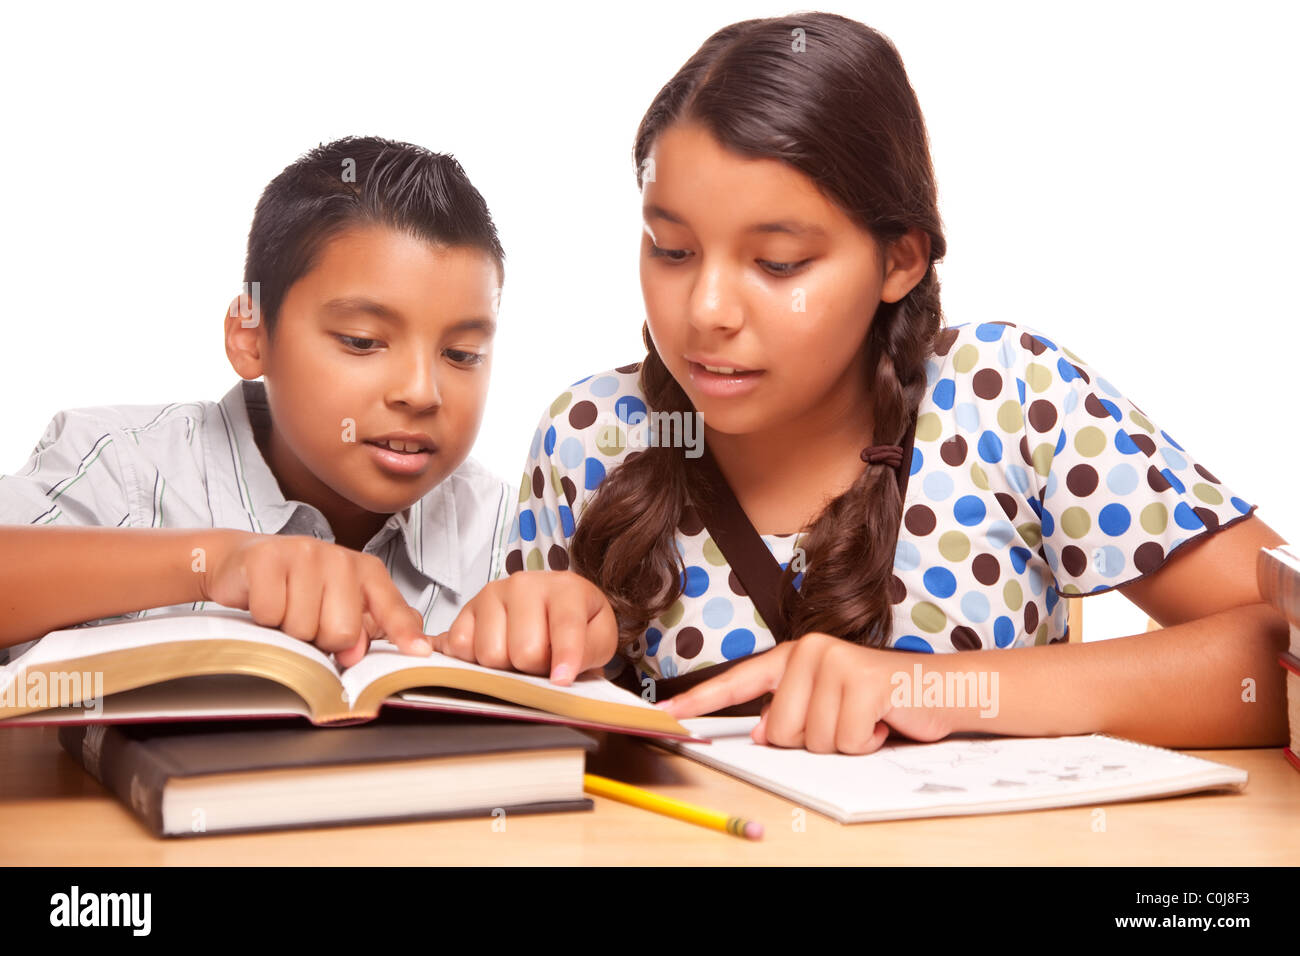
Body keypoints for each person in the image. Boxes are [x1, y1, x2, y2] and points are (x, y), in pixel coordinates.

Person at [432, 13, 1291, 753]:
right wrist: (520, 640)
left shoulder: (1009, 396)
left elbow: (1285, 651)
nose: (708, 310)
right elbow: (526, 748)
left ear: (899, 258)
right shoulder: (592, 435)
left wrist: (932, 693)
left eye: (778, 262)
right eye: (672, 250)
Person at [0, 136, 514, 671]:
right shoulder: (123, 468)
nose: (421, 392)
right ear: (250, 337)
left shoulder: (512, 532)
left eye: (461, 353)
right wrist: (214, 564)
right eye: (362, 340)